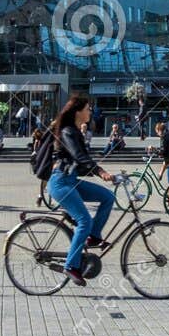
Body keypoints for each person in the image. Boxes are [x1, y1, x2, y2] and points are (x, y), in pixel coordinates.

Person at [47, 95, 116, 286]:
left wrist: (108, 175)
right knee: (84, 220)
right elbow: (79, 156)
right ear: (78, 111)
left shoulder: (76, 131)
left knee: (108, 197)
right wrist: (100, 171)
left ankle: (93, 236)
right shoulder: (68, 131)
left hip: (71, 180)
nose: (90, 112)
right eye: (87, 108)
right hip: (60, 183)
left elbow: (83, 162)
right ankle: (71, 266)